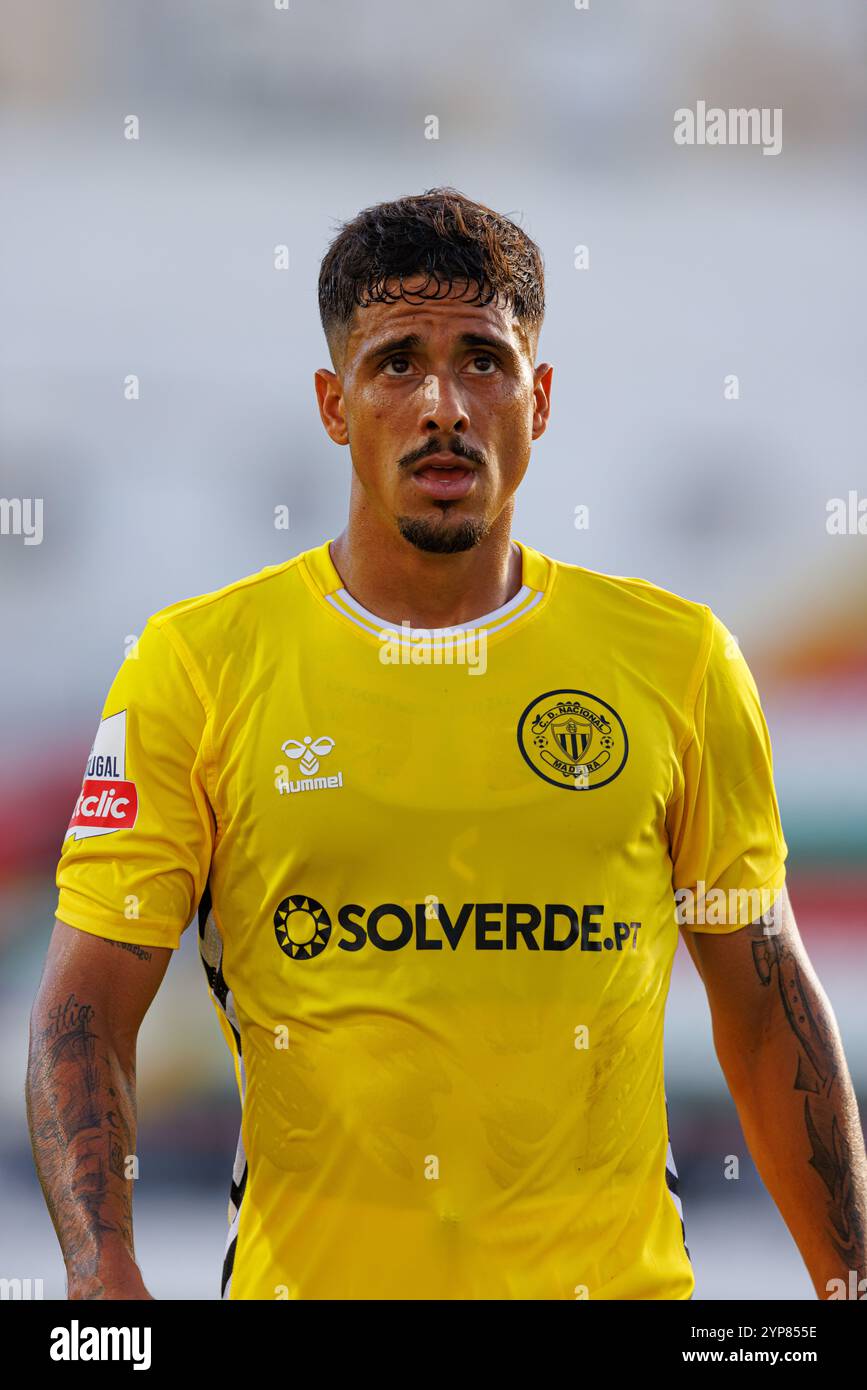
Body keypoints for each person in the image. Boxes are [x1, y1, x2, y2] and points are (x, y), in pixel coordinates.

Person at [27, 187, 866, 1300]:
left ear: (541, 396)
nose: (443, 406)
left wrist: (848, 1284)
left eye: (483, 359)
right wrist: (102, 1272)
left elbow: (763, 1005)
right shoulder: (199, 664)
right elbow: (84, 1008)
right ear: (333, 403)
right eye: (395, 365)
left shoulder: (678, 659)